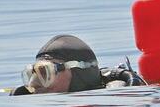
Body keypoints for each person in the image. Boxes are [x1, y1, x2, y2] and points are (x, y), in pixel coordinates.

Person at [10, 34, 145, 96]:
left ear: (77, 73)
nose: (35, 84)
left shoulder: (114, 97)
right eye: (32, 74)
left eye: (45, 72)